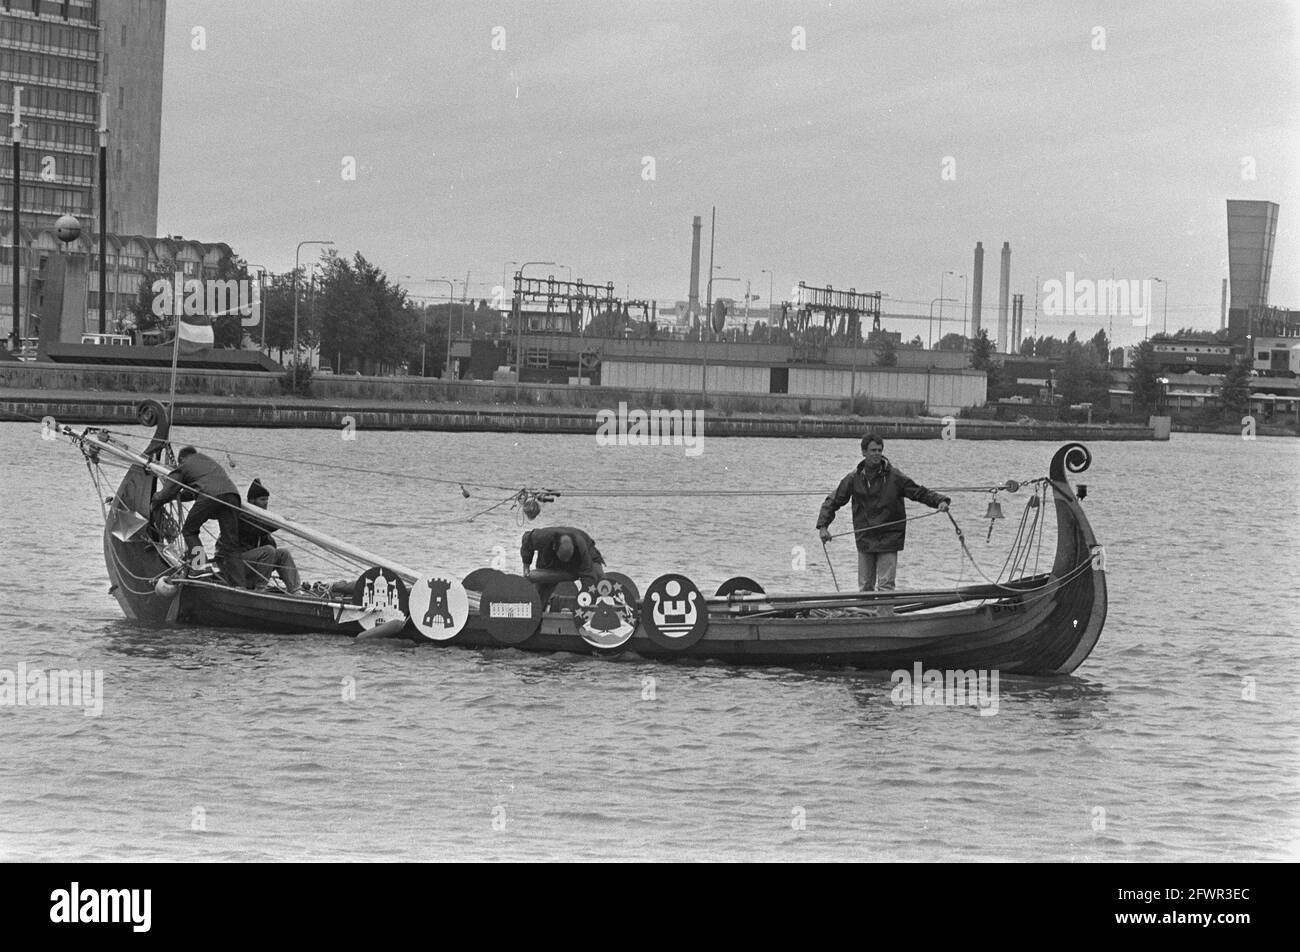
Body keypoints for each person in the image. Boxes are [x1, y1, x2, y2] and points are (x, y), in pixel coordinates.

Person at [816, 433, 950, 592]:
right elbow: (833, 500)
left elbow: (918, 492)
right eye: (873, 450)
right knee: (865, 586)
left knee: (886, 585)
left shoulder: (895, 476)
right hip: (865, 538)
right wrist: (823, 526)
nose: (877, 454)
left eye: (879, 450)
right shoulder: (853, 478)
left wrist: (940, 501)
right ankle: (867, 616)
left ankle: (884, 614)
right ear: (863, 452)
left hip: (889, 538)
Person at [151, 445, 245, 584]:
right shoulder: (207, 462)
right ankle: (241, 584)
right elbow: (192, 491)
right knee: (231, 544)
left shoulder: (185, 465)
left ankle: (200, 567)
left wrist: (154, 499)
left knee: (189, 531)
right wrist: (177, 497)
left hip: (210, 495)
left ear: (181, 458)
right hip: (232, 496)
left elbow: (167, 492)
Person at [237, 479, 302, 594]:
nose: (266, 503)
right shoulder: (242, 516)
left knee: (283, 553)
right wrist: (280, 522)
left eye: (267, 499)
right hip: (236, 563)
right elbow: (257, 529)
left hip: (252, 563)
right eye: (262, 500)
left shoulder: (261, 519)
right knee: (268, 551)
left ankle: (296, 590)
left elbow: (267, 540)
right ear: (252, 501)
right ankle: (260, 589)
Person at [520, 526, 606, 606]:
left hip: (580, 561)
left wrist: (586, 598)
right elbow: (526, 542)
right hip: (550, 562)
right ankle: (538, 611)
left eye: (568, 558)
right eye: (564, 558)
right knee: (541, 592)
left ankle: (602, 607)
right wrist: (526, 567)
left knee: (599, 577)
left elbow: (588, 575)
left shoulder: (581, 546)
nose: (566, 561)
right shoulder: (541, 537)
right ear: (554, 547)